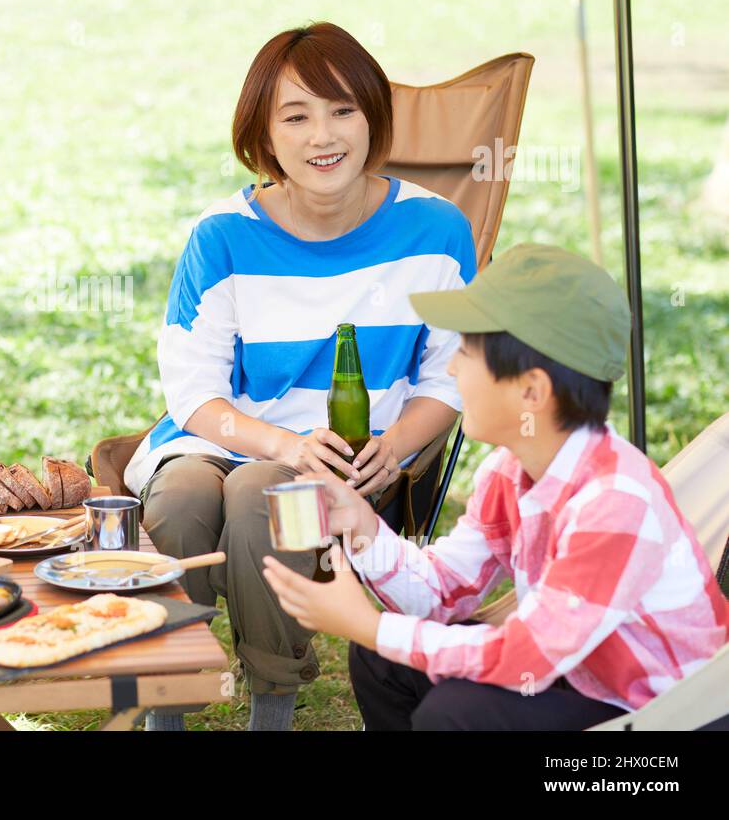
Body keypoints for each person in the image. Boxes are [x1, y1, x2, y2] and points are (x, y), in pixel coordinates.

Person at [125, 23, 477, 730]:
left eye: (343, 110)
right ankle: (166, 707)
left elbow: (454, 375)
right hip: (221, 438)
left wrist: (399, 444)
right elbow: (194, 393)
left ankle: (272, 709)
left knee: (262, 494)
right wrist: (282, 445)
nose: (324, 135)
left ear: (373, 117)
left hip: (350, 457)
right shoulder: (221, 235)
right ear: (263, 134)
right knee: (185, 497)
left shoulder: (436, 230)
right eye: (297, 116)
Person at [262, 244, 729, 730]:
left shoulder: (614, 503)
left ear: (531, 391)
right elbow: (443, 593)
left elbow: (526, 655)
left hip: (662, 715)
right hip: (578, 674)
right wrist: (360, 524)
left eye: (466, 352)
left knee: (457, 712)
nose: (451, 369)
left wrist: (370, 625)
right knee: (385, 661)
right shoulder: (512, 470)